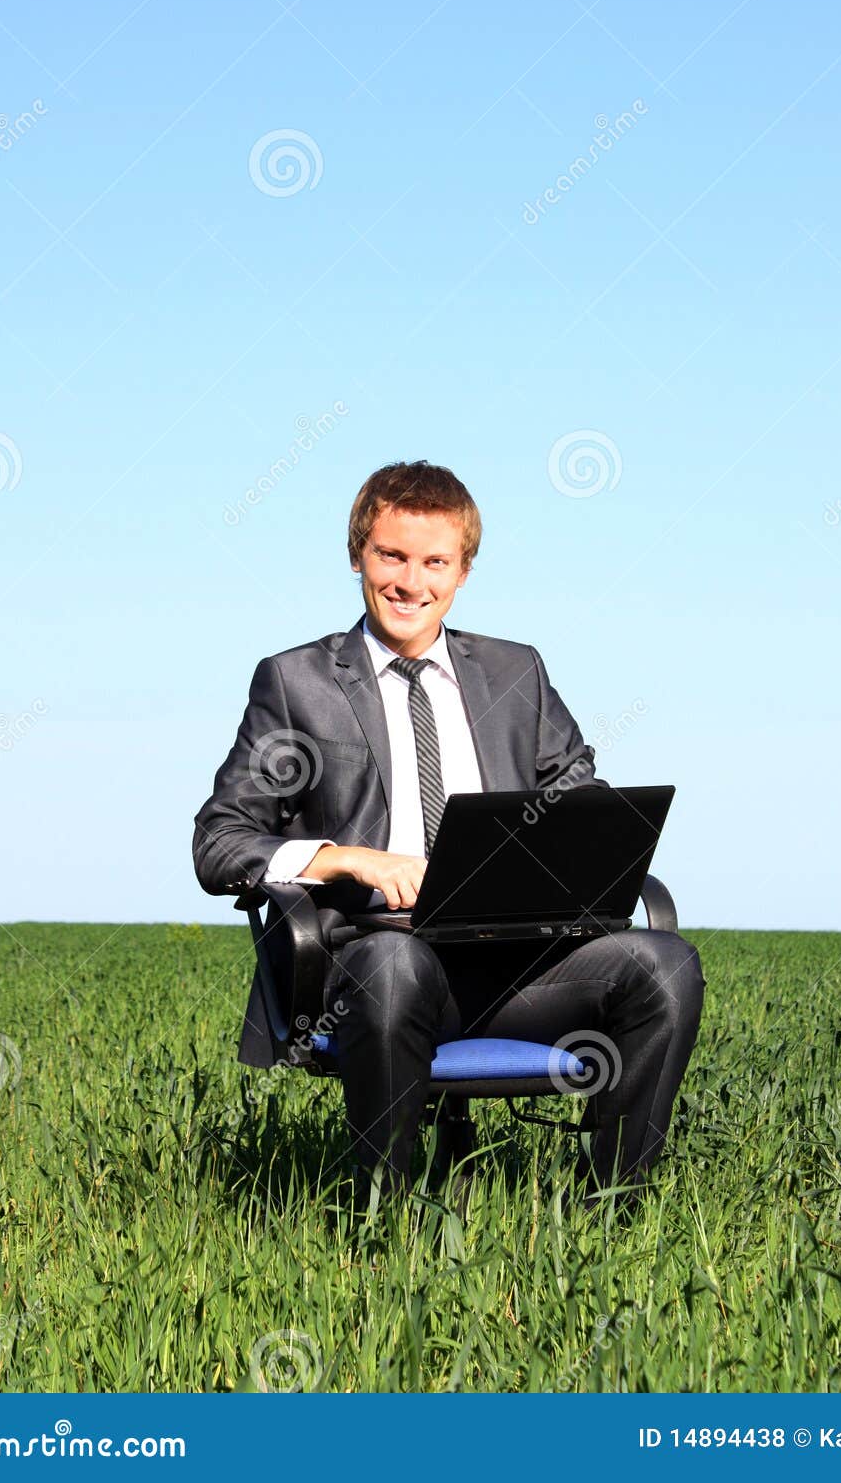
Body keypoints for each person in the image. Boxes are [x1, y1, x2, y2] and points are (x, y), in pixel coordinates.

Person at [193, 460, 704, 1202]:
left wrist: (574, 851)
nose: (410, 582)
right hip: (375, 963)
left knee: (664, 963)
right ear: (357, 557)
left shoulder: (514, 672)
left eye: (435, 561)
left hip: (519, 968)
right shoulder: (296, 682)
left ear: (463, 570)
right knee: (394, 967)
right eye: (390, 556)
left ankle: (612, 1217)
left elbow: (577, 805)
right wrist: (349, 860)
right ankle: (382, 1222)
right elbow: (220, 841)